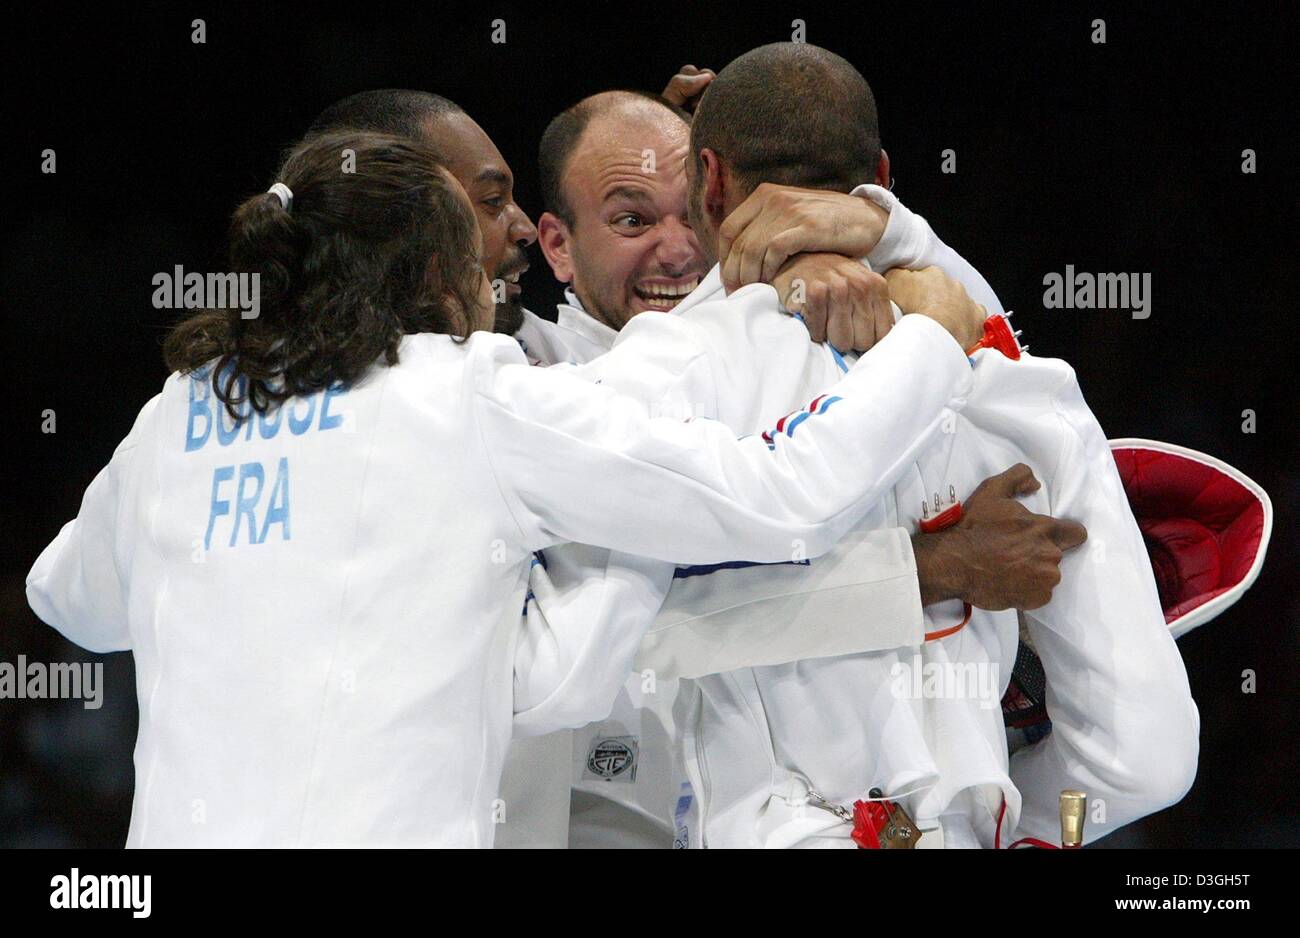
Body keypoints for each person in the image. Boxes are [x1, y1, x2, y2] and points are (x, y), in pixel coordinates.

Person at [24, 129, 994, 847]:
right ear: (438, 273)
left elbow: (67, 594)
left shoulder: (181, 412)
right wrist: (930, 343)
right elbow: (781, 493)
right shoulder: (474, 395)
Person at [502, 87, 1069, 848]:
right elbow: (618, 636)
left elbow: (983, 339)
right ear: (558, 246)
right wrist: (924, 570)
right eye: (632, 220)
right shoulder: (527, 385)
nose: (679, 250)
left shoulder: (797, 332)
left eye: (691, 213)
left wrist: (899, 244)